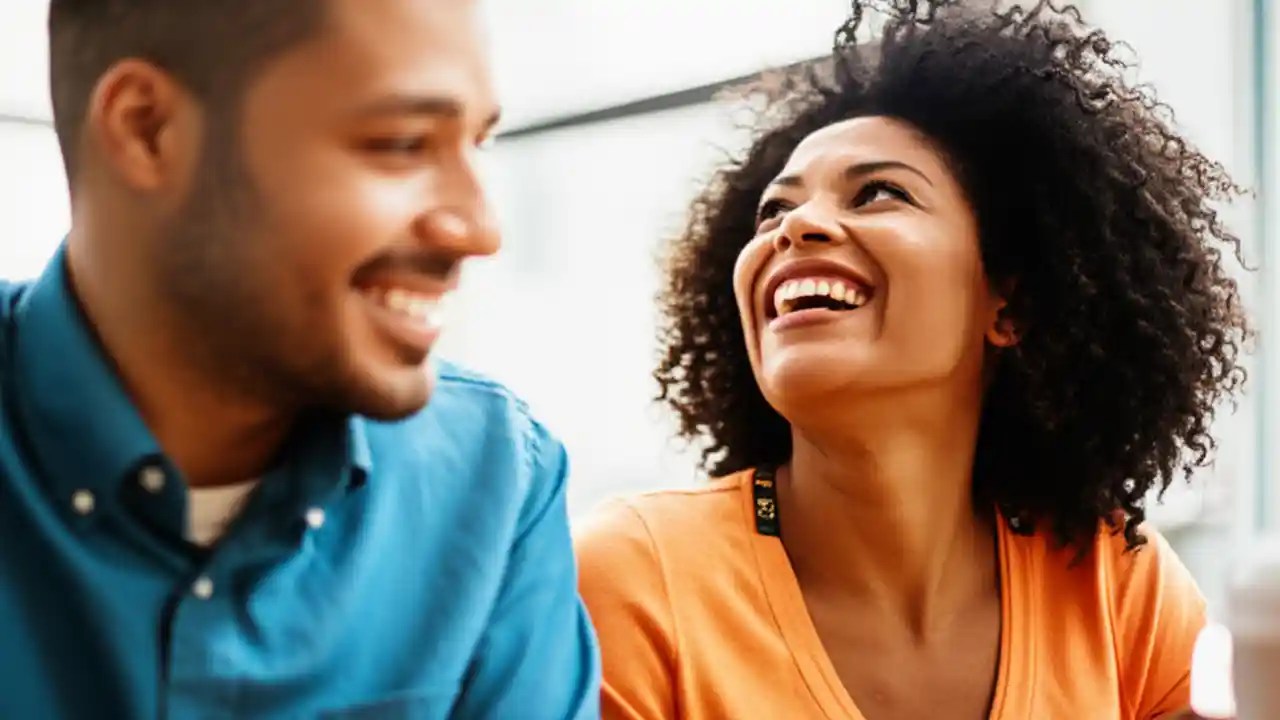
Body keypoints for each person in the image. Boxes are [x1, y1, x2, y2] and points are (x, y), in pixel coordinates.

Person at [575, 1, 1249, 718]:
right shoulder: (634, 574)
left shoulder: (1114, 581)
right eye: (773, 211)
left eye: (878, 193)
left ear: (1009, 307)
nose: (795, 227)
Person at [0, 1, 598, 717]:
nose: (480, 229)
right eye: (403, 144)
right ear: (147, 129)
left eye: (479, 144)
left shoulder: (497, 481)